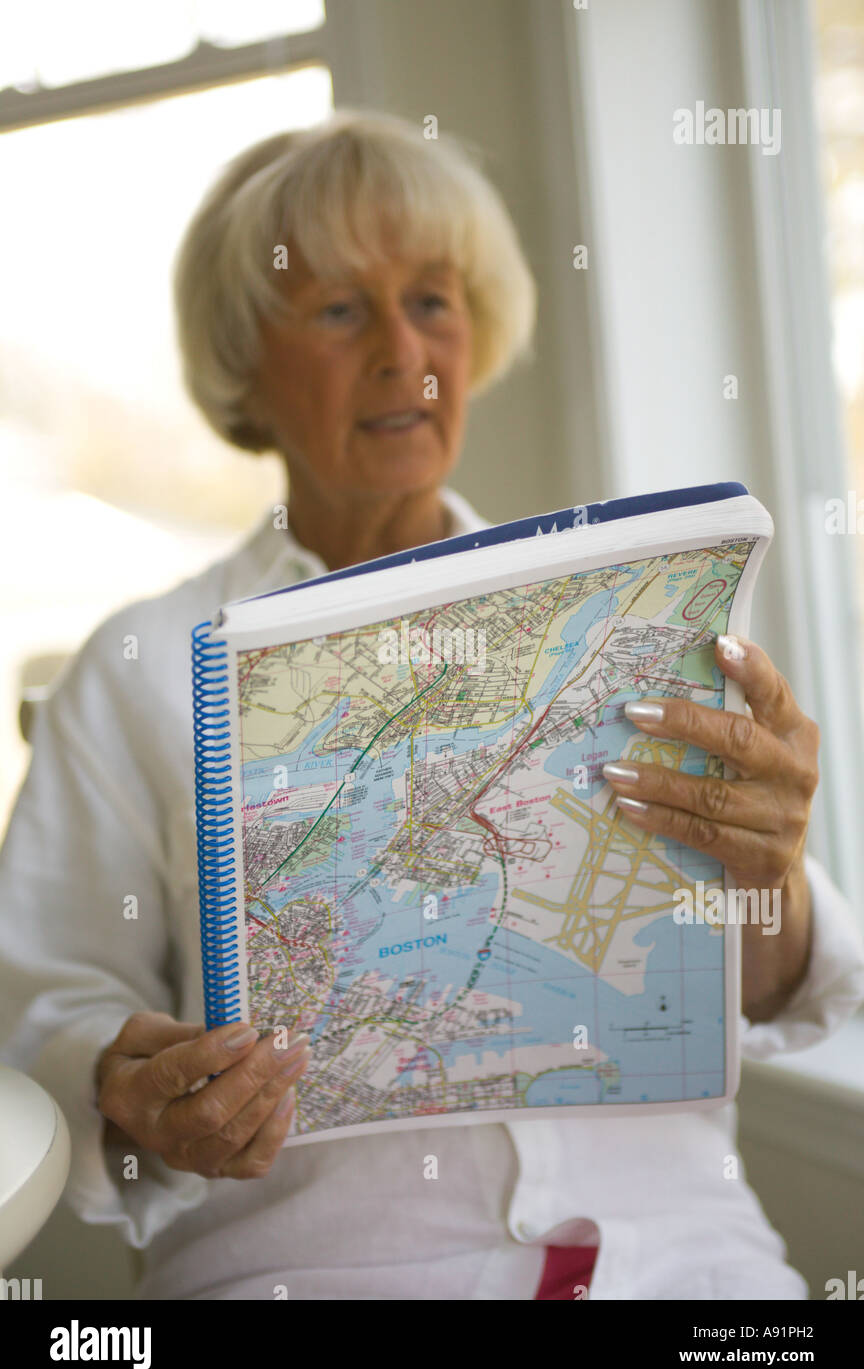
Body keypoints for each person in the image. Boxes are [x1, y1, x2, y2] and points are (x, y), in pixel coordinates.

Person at [2, 109, 863, 1302]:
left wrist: (769, 861)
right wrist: (124, 1085)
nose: (403, 351)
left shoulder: (629, 616)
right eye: (341, 307)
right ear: (245, 356)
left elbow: (777, 986)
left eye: (435, 303)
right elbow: (40, 1009)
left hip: (687, 1264)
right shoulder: (140, 663)